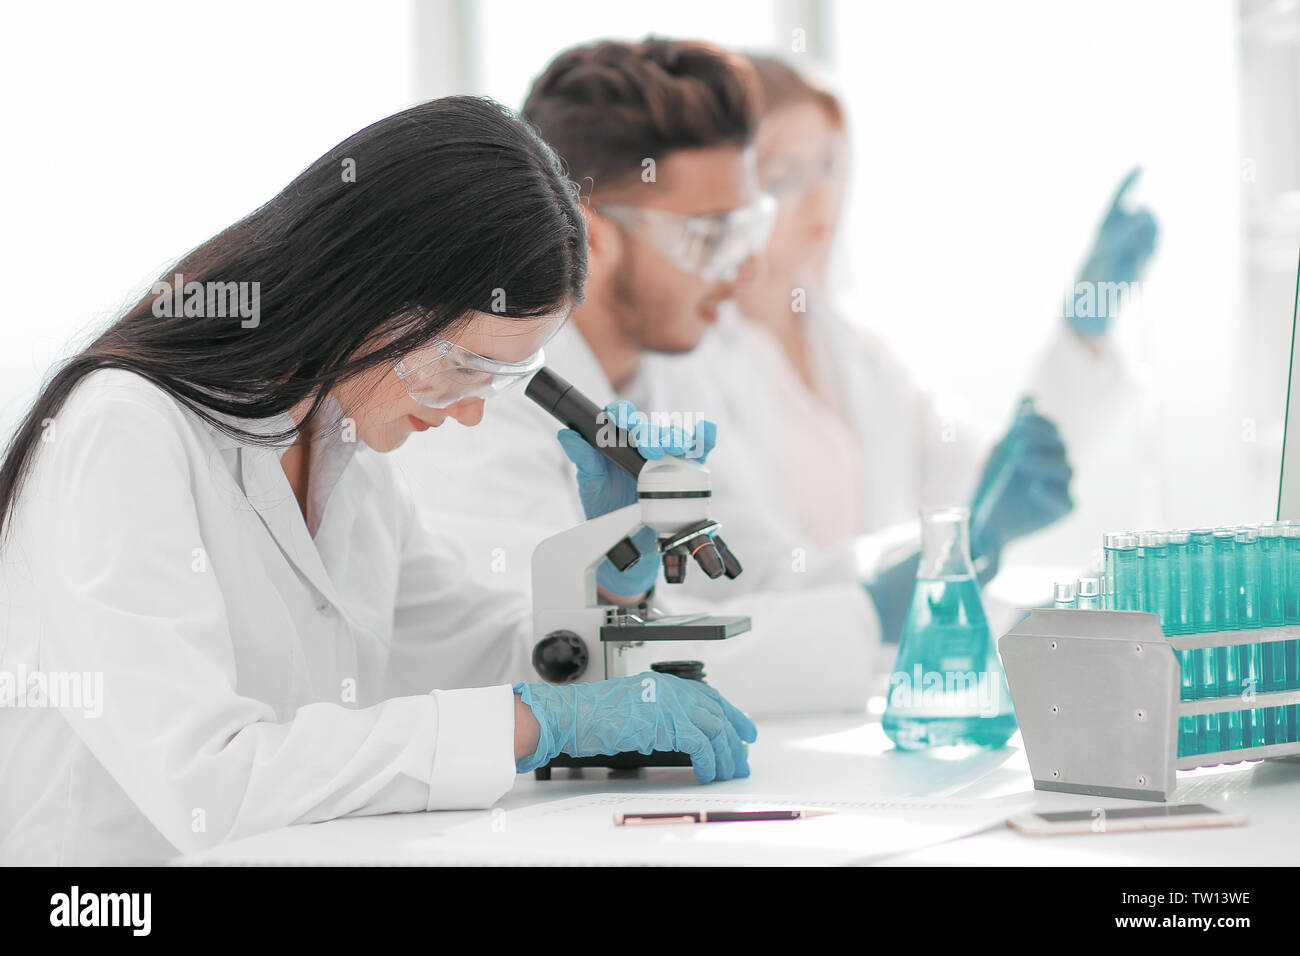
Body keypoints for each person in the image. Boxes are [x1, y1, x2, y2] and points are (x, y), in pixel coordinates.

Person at [0, 96, 756, 866]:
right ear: (365, 294)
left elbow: (491, 661)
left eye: (499, 380)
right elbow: (208, 785)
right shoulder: (125, 428)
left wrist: (611, 574)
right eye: (462, 367)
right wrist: (541, 722)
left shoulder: (342, 453)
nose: (467, 413)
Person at [394, 40, 885, 715]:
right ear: (592, 236)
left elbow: (754, 565)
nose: (742, 271)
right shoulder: (480, 407)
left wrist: (909, 580)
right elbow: (560, 664)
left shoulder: (676, 363)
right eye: (708, 238)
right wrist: (865, 625)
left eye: (748, 231)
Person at [642, 54, 1159, 637]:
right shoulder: (685, 361)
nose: (821, 200)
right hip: (791, 678)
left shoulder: (858, 346)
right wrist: (920, 566)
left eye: (830, 167)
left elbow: (988, 473)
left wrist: (1086, 327)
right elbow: (745, 576)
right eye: (784, 177)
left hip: (876, 675)